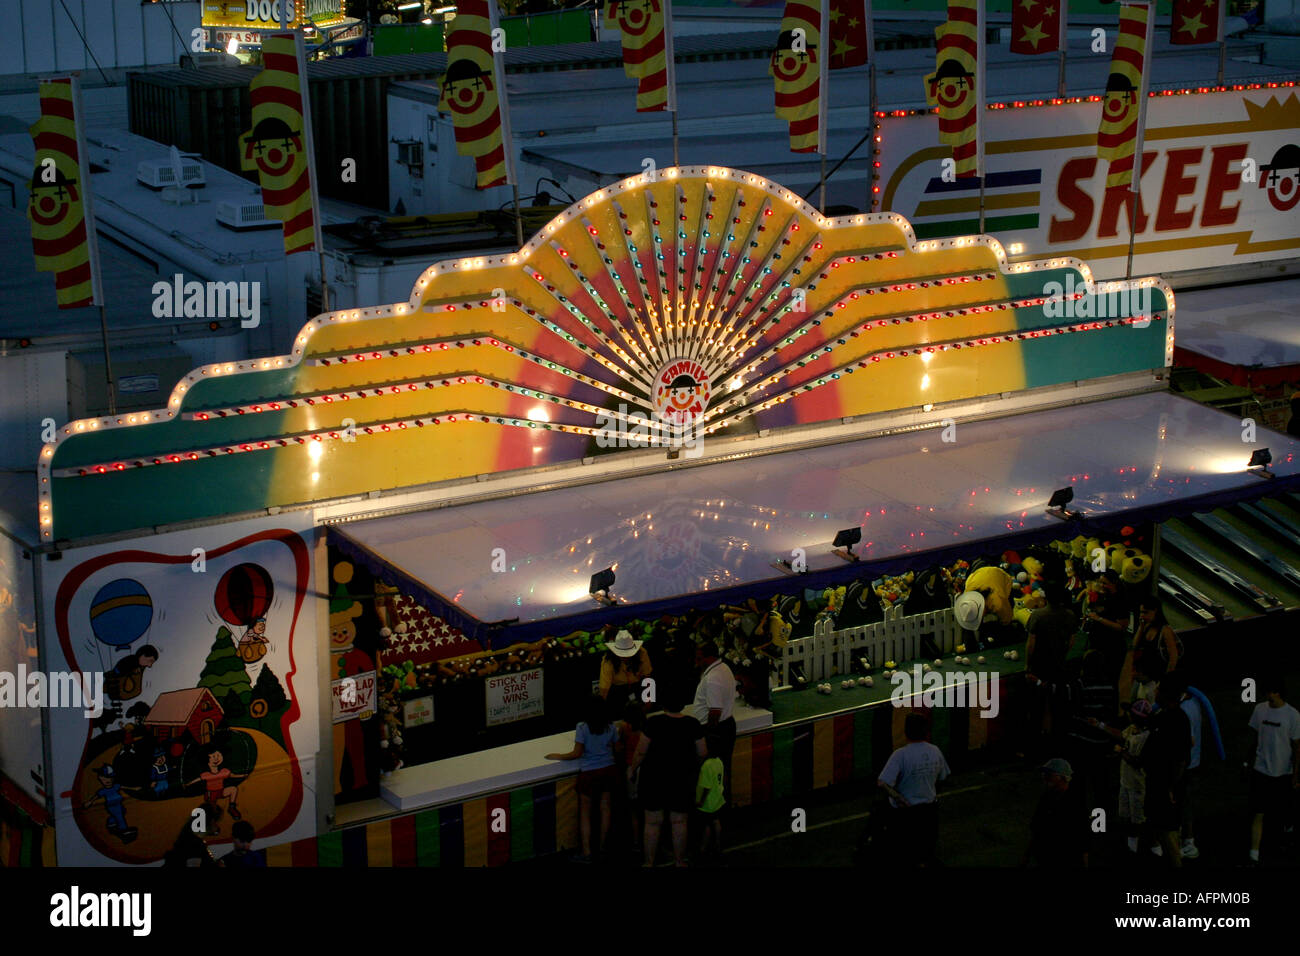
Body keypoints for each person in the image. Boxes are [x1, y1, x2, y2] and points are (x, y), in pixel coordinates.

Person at [629, 688, 706, 867]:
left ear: (663, 704)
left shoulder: (653, 723)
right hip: (681, 778)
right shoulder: (692, 724)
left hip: (654, 779)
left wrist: (632, 769)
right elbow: (703, 752)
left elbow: (641, 751)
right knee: (679, 821)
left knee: (653, 822)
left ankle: (649, 862)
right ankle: (679, 861)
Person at [545, 694, 619, 862]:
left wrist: (557, 756)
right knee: (605, 809)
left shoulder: (582, 727)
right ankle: (602, 847)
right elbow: (617, 749)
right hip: (608, 771)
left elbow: (577, 753)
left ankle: (586, 851)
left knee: (585, 812)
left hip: (589, 773)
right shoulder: (611, 727)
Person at [876, 713, 951, 867]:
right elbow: (943, 777)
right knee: (926, 851)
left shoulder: (900, 755)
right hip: (929, 812)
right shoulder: (935, 751)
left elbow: (883, 782)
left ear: (906, 731)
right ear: (926, 731)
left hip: (905, 814)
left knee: (903, 854)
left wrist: (899, 798)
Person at [1247, 674, 1300, 864]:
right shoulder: (1259, 710)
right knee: (1259, 811)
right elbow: (1254, 738)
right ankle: (1254, 852)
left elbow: (1296, 747)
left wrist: (1295, 774)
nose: (1268, 696)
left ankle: (1277, 845)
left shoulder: (1293, 715)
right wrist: (1249, 762)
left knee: (1278, 812)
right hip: (1261, 770)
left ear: (1277, 692)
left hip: (1282, 773)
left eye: (1270, 692)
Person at [1089, 699, 1153, 855]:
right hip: (1126, 782)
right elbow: (1121, 735)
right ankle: (1129, 845)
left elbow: (1138, 762)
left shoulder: (1145, 737)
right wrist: (1100, 725)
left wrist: (1120, 752)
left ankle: (1137, 847)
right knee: (1125, 815)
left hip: (1137, 785)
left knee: (1137, 819)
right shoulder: (1132, 729)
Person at [1173, 672, 1223, 860]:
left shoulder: (1185, 709)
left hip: (1185, 764)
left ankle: (1187, 842)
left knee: (1182, 803)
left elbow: (1189, 740)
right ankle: (1185, 840)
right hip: (1192, 762)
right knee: (1184, 803)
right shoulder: (1195, 703)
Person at [1141, 679, 1191, 866]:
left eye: (1159, 690)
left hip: (1166, 785)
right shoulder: (1165, 717)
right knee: (1159, 826)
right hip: (1158, 783)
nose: (1155, 693)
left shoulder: (1176, 720)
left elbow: (1181, 759)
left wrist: (1171, 787)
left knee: (1168, 830)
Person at [1025, 583, 1078, 754]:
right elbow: (1071, 641)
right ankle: (1056, 743)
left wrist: (1028, 664)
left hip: (1039, 666)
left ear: (1045, 597)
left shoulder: (1038, 616)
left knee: (1036, 708)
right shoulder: (1070, 616)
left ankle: (1034, 746)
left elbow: (1031, 644)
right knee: (1057, 705)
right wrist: (1061, 654)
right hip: (1058, 667)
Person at [691, 641, 737, 807]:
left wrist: (707, 734)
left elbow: (715, 712)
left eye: (699, 658)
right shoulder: (724, 669)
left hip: (717, 729)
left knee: (711, 772)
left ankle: (712, 806)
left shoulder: (712, 679)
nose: (696, 661)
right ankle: (722, 803)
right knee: (723, 769)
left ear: (708, 658)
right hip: (725, 726)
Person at [1025, 758, 1088, 867]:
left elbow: (1082, 838)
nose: (1044, 777)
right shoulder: (1047, 797)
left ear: (1061, 777)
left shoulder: (1074, 803)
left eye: (1049, 774)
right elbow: (1036, 829)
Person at [1081, 570, 1129, 682]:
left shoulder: (1120, 600)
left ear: (1114, 583)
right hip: (1098, 643)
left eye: (1105, 583)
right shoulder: (1105, 597)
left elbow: (1121, 627)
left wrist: (1099, 619)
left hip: (1110, 648)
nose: (1102, 586)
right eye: (1100, 583)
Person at [617, 700, 647, 859]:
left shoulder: (624, 728)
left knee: (633, 809)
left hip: (631, 770)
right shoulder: (646, 728)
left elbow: (619, 747)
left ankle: (636, 842)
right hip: (646, 770)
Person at [599, 629, 653, 705]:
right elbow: (604, 688)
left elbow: (648, 677)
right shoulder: (608, 661)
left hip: (638, 687)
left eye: (629, 653)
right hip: (619, 691)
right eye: (622, 654)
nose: (626, 657)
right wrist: (601, 706)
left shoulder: (642, 653)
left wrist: (650, 699)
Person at [1131, 598, 1181, 673]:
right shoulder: (1146, 627)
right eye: (1141, 613)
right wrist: (1140, 628)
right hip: (1145, 673)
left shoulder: (1165, 630)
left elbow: (1173, 656)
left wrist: (1167, 678)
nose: (1142, 616)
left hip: (1158, 673)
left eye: (1145, 613)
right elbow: (1134, 646)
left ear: (1155, 611)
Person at [695, 743, 726, 859]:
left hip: (707, 803)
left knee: (706, 825)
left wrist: (700, 801)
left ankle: (703, 847)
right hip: (717, 798)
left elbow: (706, 787)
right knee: (715, 822)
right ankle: (717, 845)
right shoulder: (719, 761)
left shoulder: (706, 765)